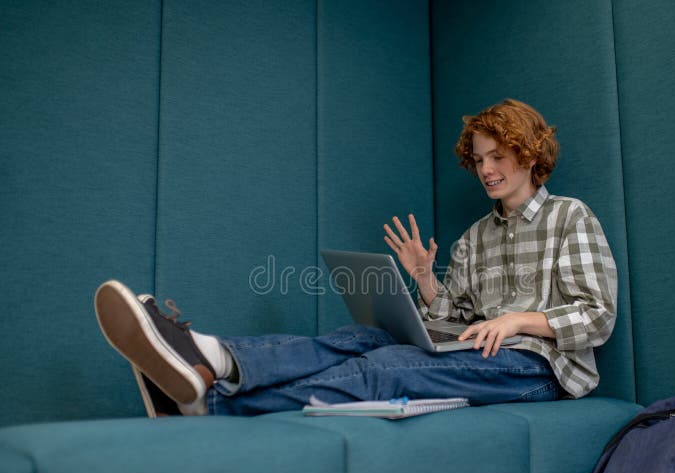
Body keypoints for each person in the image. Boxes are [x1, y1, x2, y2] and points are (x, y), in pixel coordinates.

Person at [94, 98, 618, 416]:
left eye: (497, 157)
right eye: (479, 159)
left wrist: (518, 320)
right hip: (480, 350)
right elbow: (450, 320)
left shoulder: (570, 217)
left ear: (528, 155)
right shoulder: (475, 237)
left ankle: (210, 402)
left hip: (537, 368)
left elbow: (598, 315)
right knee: (360, 338)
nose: (485, 169)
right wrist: (424, 282)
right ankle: (213, 356)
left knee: (386, 366)